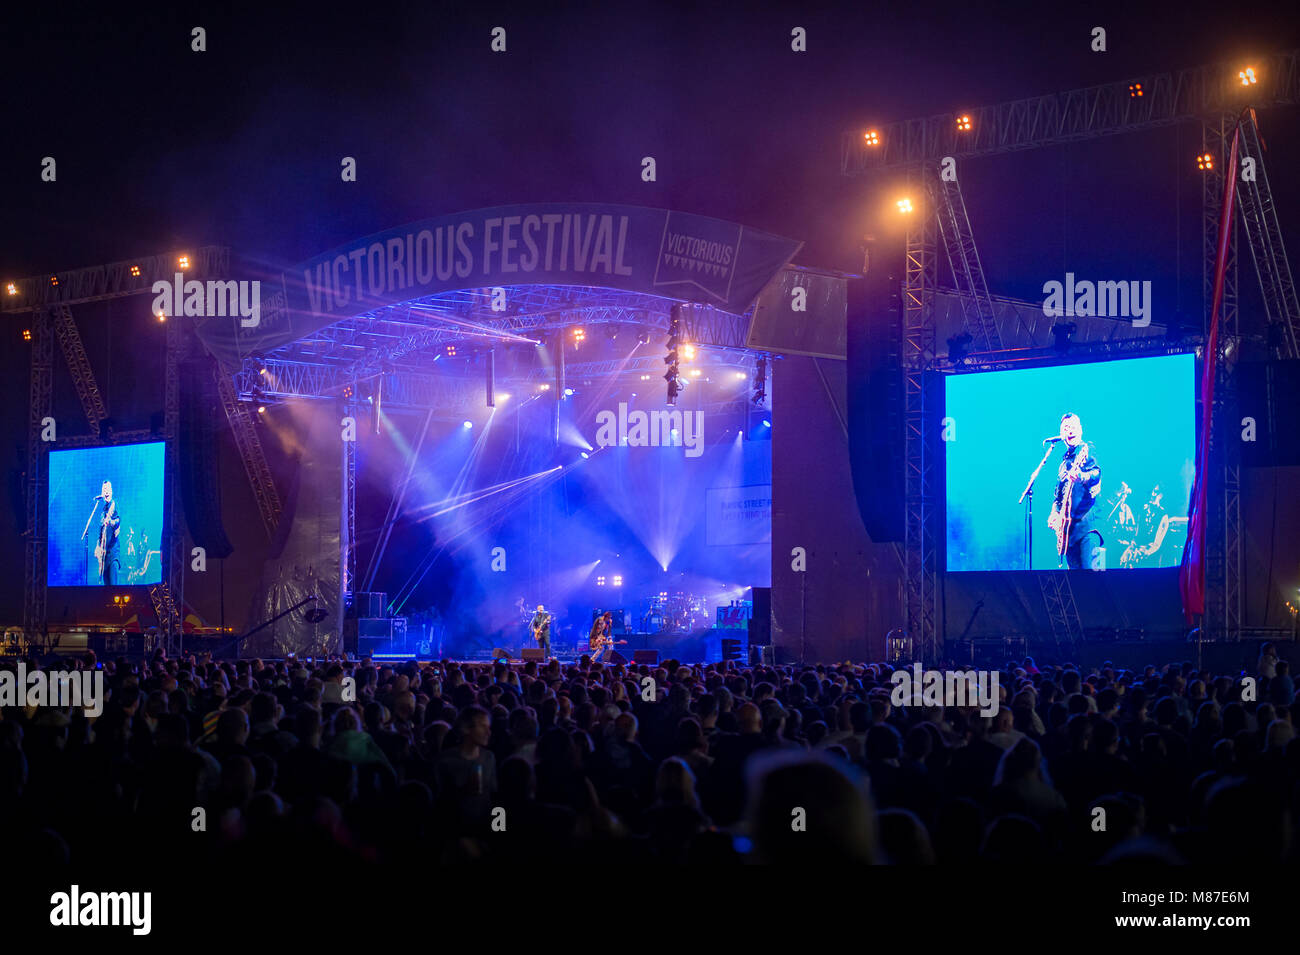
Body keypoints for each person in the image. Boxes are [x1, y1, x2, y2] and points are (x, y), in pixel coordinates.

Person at [1047, 413, 1101, 570]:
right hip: (1068, 534)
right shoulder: (1063, 463)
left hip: (1090, 529)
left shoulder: (1088, 449)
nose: (1069, 431)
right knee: (1076, 586)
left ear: (1080, 430)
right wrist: (1053, 514)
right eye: (1065, 428)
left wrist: (1082, 476)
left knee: (1099, 581)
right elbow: (1057, 497)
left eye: (1072, 427)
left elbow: (1096, 474)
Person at [95, 481, 122, 585]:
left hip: (113, 554)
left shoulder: (114, 505)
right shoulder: (103, 511)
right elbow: (100, 533)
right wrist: (98, 546)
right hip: (104, 556)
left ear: (112, 491)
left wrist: (111, 522)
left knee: (113, 588)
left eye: (108, 489)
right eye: (104, 490)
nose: (106, 492)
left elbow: (118, 520)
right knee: (106, 589)